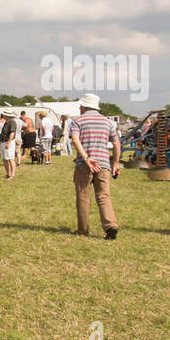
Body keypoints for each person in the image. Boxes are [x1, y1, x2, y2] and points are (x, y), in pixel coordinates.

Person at [70, 93, 121, 238]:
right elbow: (116, 143)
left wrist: (86, 158)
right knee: (104, 196)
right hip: (104, 164)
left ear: (85, 106)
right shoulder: (108, 122)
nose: (80, 107)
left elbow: (75, 140)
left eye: (81, 105)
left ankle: (82, 230)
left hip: (84, 164)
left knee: (83, 196)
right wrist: (115, 164)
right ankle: (111, 225)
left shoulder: (78, 121)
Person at [0, 110, 18, 179]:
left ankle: (12, 175)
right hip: (3, 141)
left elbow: (12, 133)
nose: (2, 115)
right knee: (4, 159)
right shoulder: (6, 122)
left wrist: (8, 142)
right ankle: (8, 174)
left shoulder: (12, 122)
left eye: (4, 114)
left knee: (10, 159)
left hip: (8, 142)